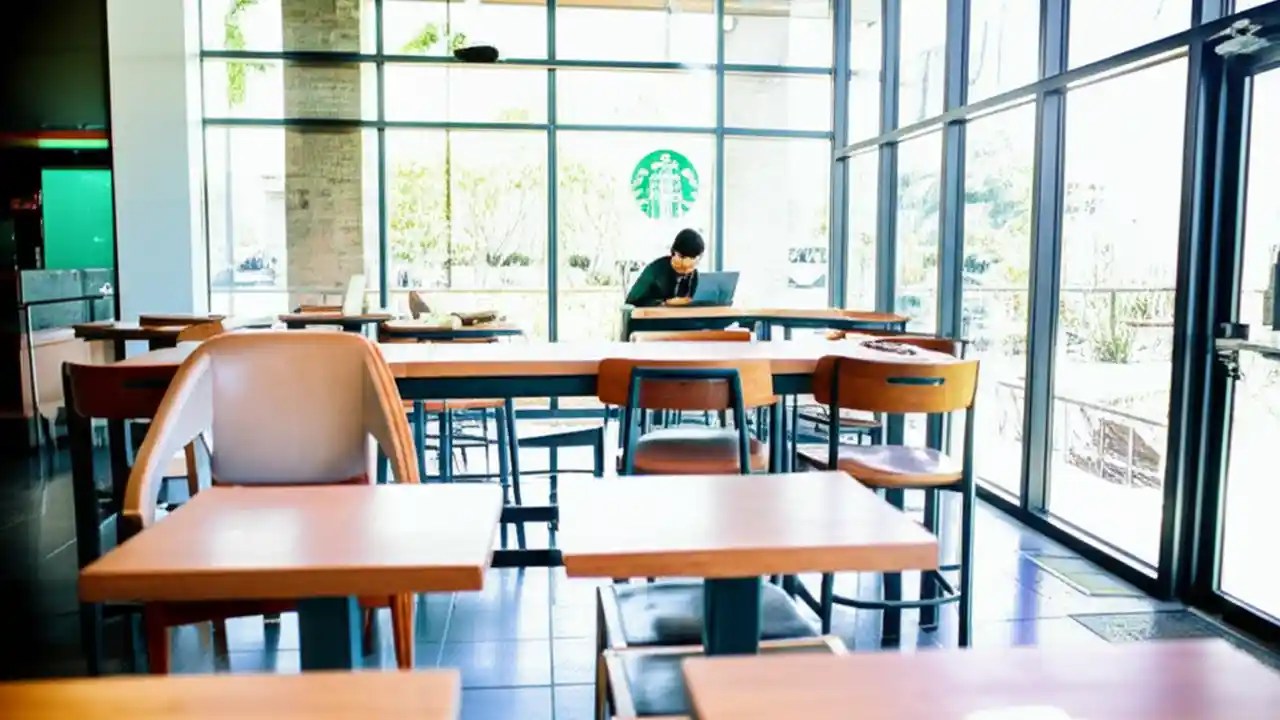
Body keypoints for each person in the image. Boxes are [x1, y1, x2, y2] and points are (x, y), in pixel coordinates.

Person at [625, 229, 704, 307]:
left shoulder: (693, 275)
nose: (686, 270)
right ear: (674, 252)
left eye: (691, 265)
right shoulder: (655, 270)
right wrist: (663, 303)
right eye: (682, 257)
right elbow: (631, 301)